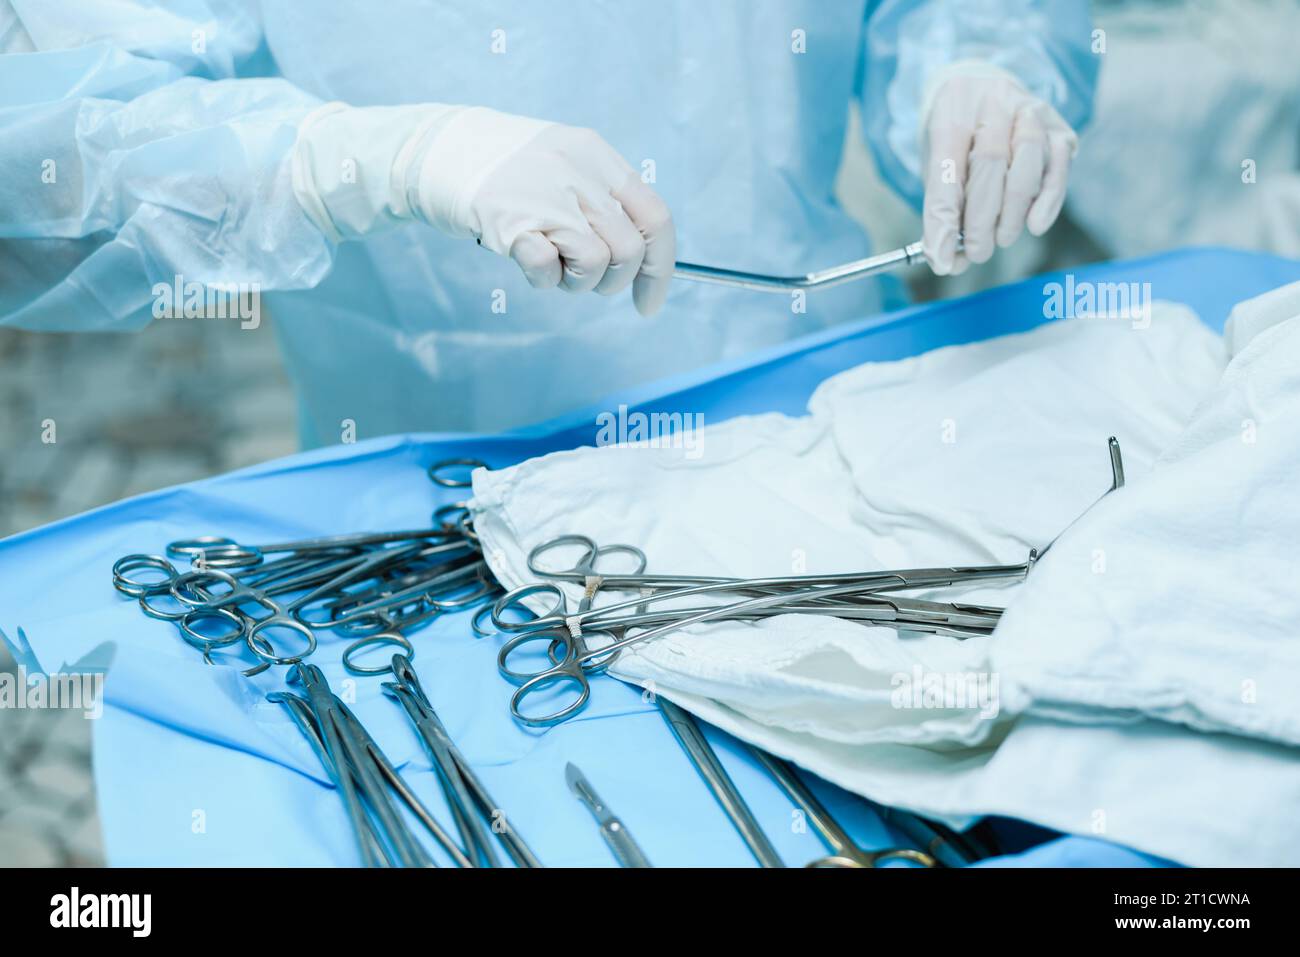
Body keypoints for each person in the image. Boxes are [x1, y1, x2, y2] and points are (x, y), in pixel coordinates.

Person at [0, 0, 1096, 442]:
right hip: (462, 447)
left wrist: (981, 67)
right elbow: (56, 157)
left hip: (821, 385)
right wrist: (375, 157)